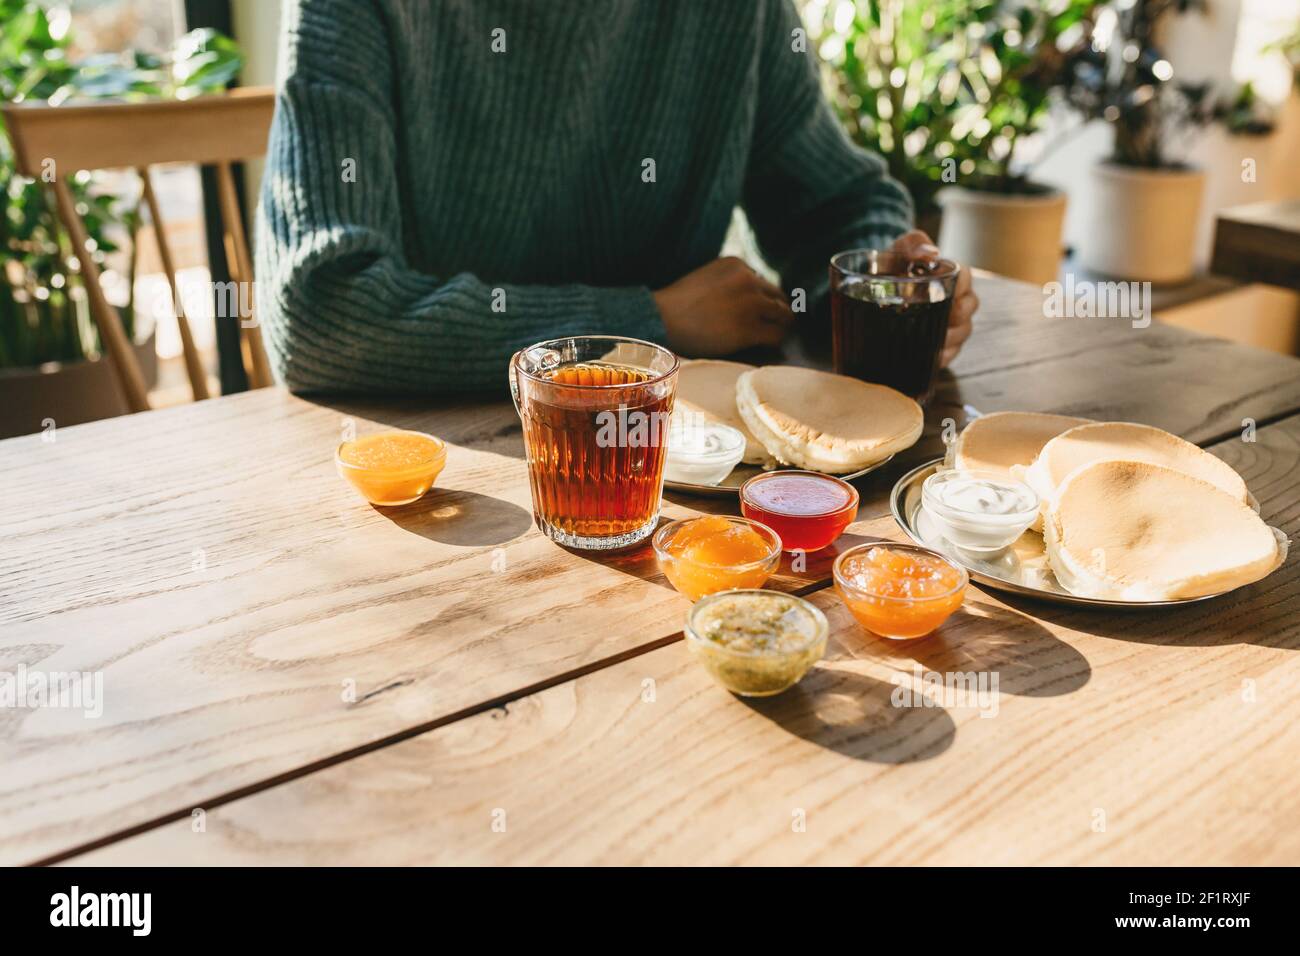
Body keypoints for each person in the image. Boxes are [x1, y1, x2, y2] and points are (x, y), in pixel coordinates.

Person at [256, 0, 976, 393]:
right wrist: (640, 325)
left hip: (677, 465)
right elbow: (321, 313)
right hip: (431, 478)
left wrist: (880, 291)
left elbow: (835, 203)